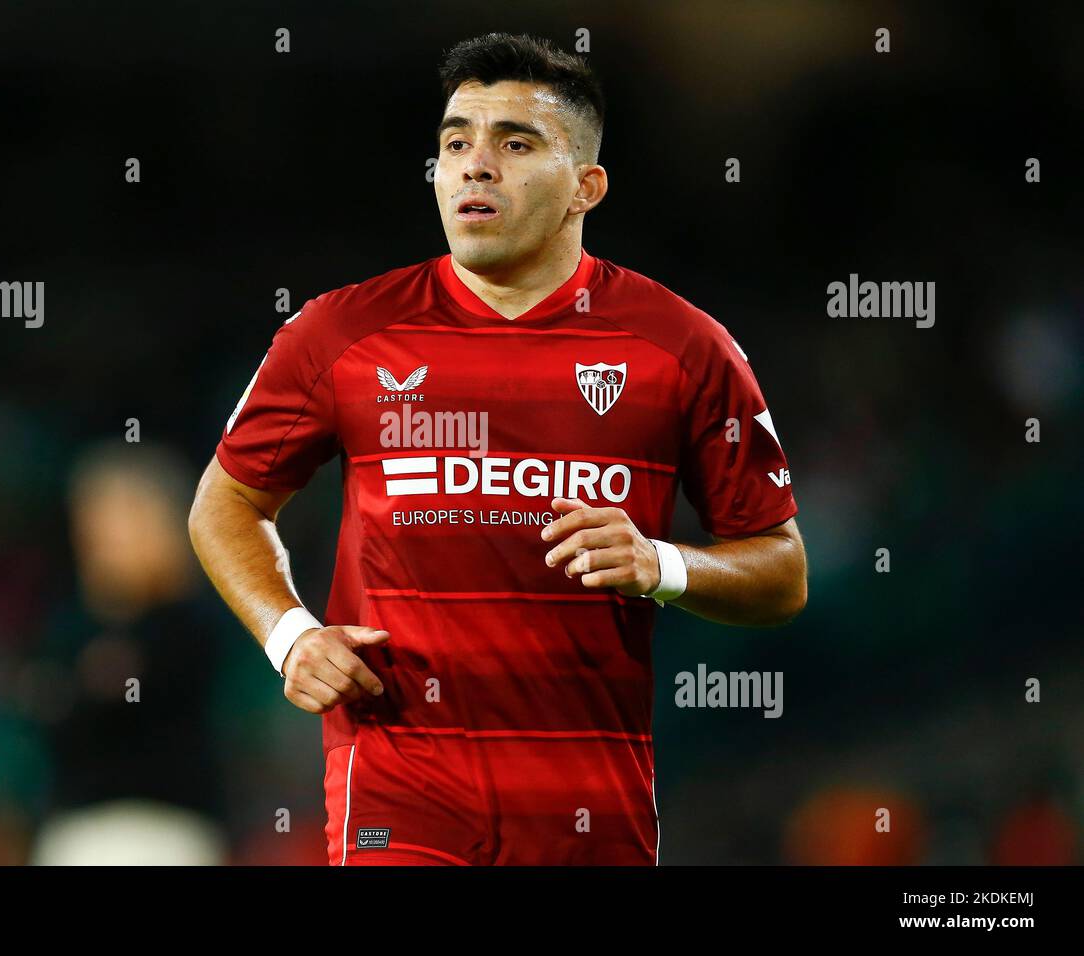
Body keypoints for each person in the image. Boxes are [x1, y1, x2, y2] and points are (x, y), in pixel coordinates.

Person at [189, 32, 806, 865]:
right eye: (455, 143)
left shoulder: (683, 347)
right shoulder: (339, 333)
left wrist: (661, 565)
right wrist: (291, 635)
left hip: (590, 803)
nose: (475, 164)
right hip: (399, 789)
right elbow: (225, 502)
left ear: (586, 186)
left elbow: (781, 570)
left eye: (515, 143)